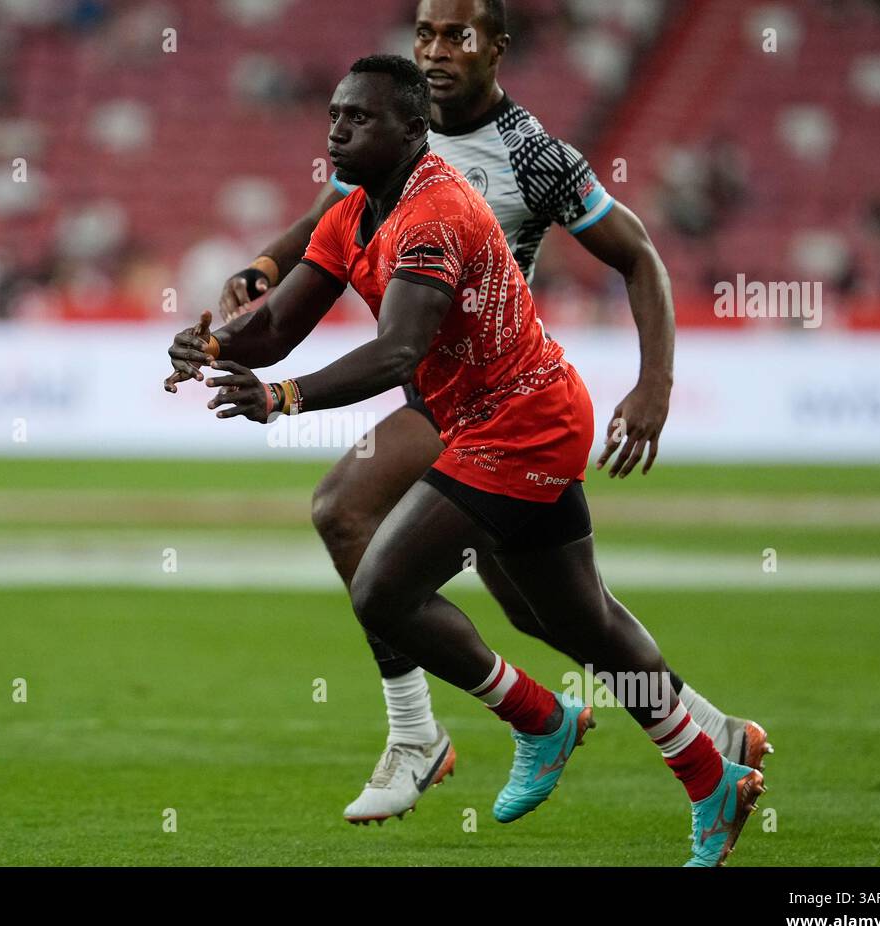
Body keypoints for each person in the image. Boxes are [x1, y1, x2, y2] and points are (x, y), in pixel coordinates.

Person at [166, 54, 764, 866]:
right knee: (577, 619)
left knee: (383, 586)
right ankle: (709, 775)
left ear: (413, 130)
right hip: (503, 416)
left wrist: (284, 400)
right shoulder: (354, 215)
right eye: (335, 114)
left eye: (360, 117)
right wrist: (213, 343)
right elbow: (276, 327)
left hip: (518, 425)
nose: (338, 128)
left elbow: (396, 350)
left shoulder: (434, 211)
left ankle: (538, 718)